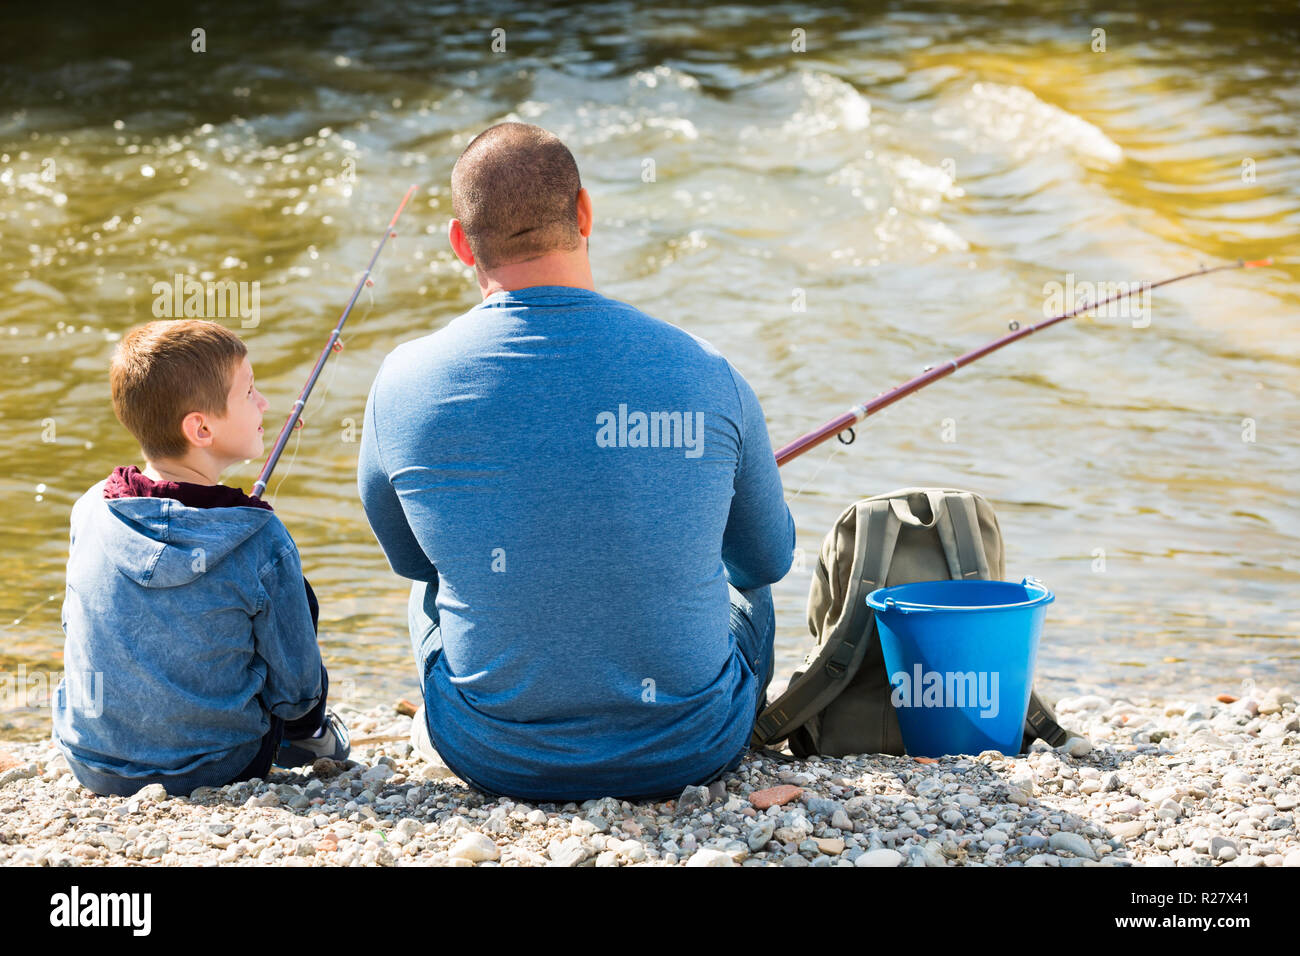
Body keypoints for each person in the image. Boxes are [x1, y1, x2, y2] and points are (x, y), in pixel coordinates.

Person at [358, 122, 794, 803]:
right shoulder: (708, 369)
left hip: (495, 756)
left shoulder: (401, 382)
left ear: (458, 242)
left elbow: (413, 562)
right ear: (585, 212)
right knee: (747, 592)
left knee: (431, 586)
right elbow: (766, 562)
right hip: (693, 745)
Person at [52, 319, 349, 797]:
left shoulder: (89, 509)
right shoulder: (260, 537)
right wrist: (305, 719)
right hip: (219, 765)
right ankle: (312, 741)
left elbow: (77, 627)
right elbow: (295, 690)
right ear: (202, 428)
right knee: (293, 595)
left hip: (92, 760)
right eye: (249, 392)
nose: (264, 404)